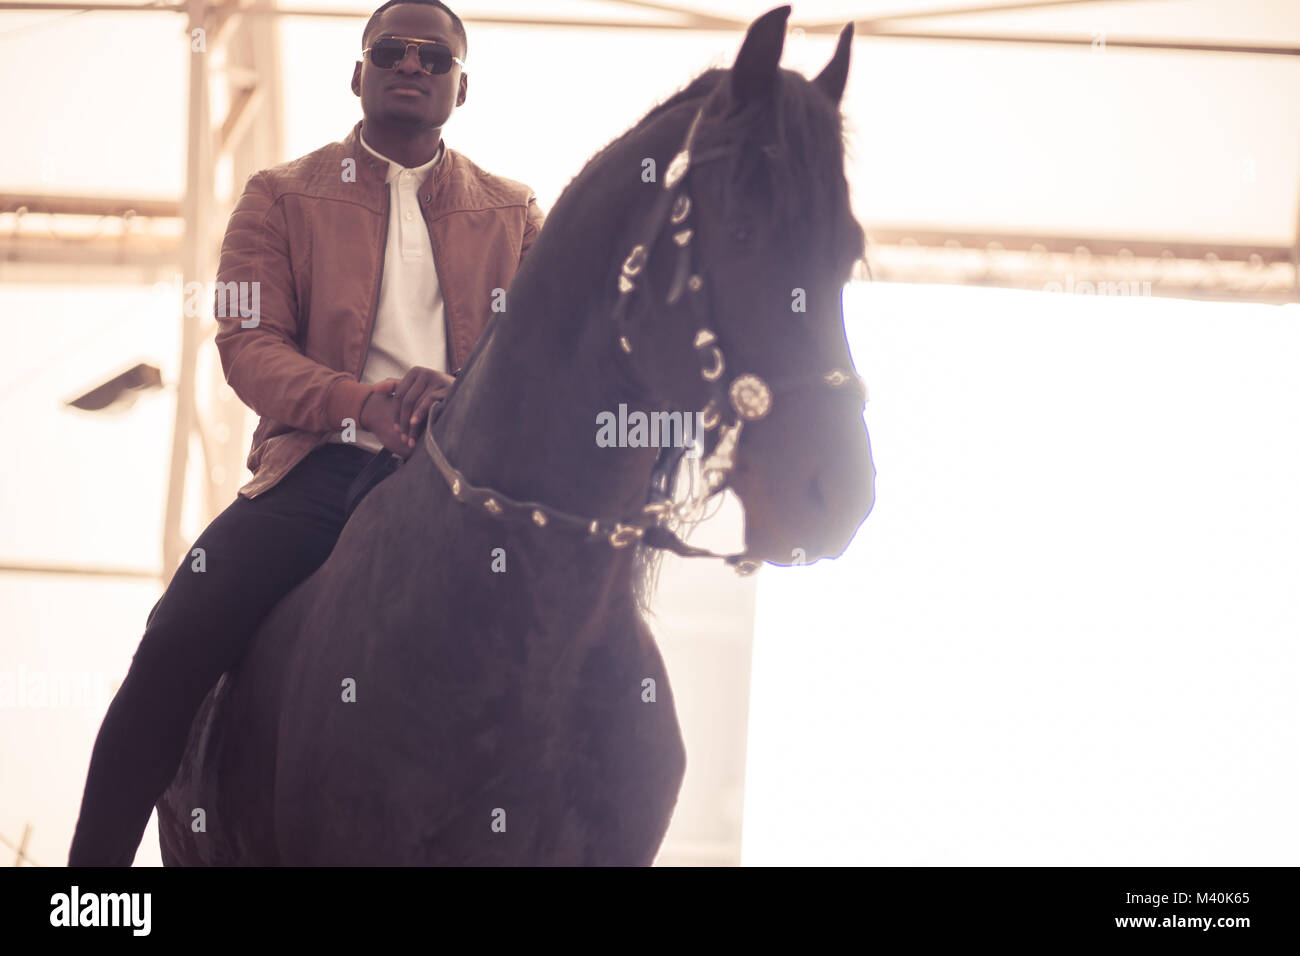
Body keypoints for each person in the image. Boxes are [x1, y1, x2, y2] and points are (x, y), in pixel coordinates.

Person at [68, 0, 544, 866]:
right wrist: (360, 401)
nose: (411, 65)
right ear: (357, 75)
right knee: (171, 646)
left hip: (465, 494)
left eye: (432, 58)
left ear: (460, 87)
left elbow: (540, 364)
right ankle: (87, 892)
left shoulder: (514, 214)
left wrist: (462, 402)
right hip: (319, 475)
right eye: (389, 51)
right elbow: (248, 349)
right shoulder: (278, 196)